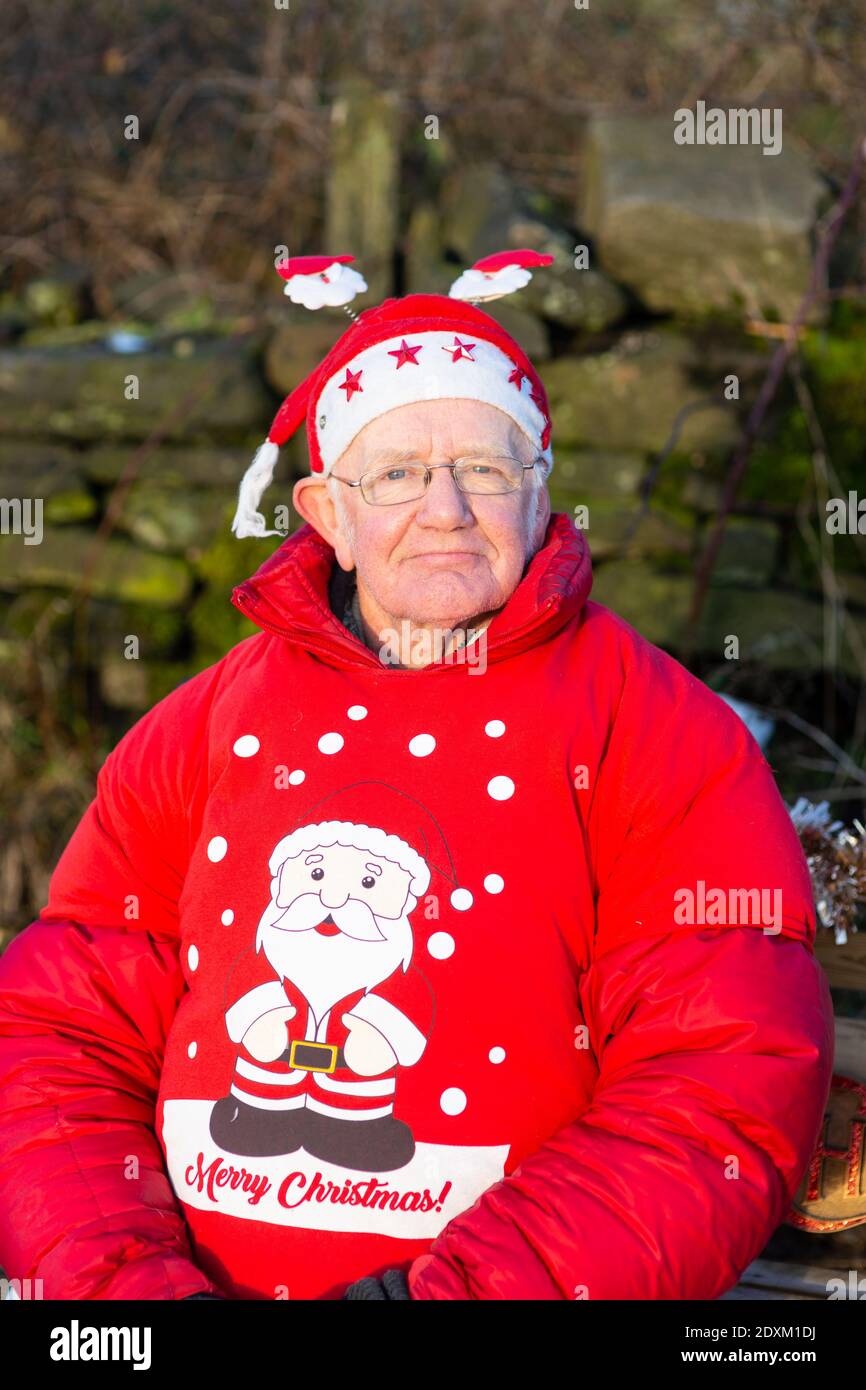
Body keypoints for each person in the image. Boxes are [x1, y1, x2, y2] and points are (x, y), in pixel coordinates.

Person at [0, 267, 834, 1301]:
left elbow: (718, 1080)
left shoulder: (654, 732)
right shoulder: (199, 726)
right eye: (394, 474)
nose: (444, 510)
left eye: (483, 467)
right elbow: (57, 1038)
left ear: (539, 489)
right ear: (326, 515)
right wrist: (123, 1291)